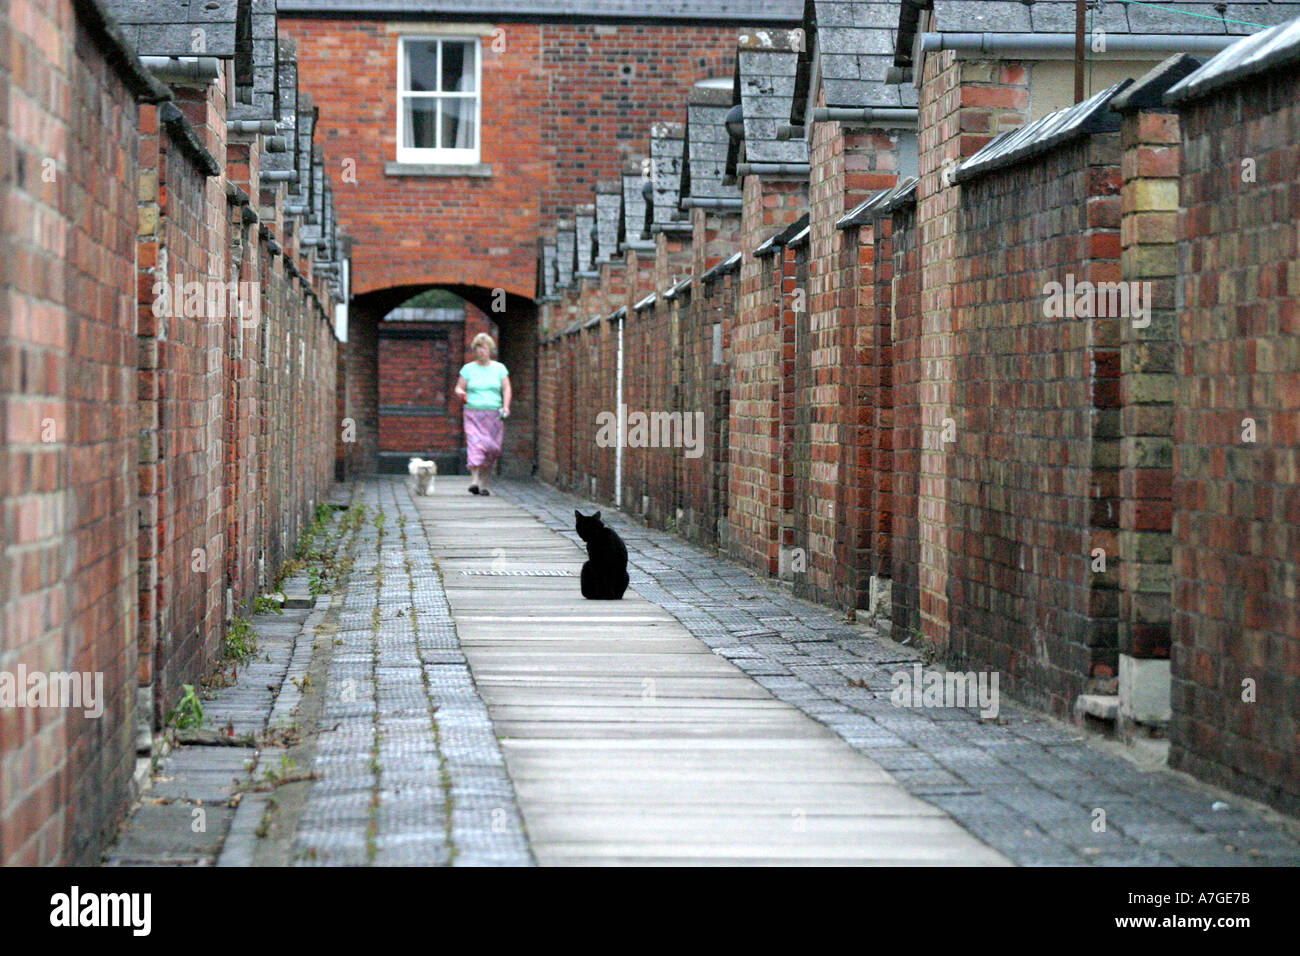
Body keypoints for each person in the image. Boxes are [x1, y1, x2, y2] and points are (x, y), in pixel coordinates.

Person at [454, 332, 511, 496]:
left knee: (491, 449)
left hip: (494, 414)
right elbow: (459, 387)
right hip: (473, 413)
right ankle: (474, 481)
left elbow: (506, 388)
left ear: (490, 349)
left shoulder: (499, 369)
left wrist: (506, 406)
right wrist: (461, 393)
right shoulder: (468, 369)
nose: (481, 351)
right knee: (475, 444)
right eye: (478, 348)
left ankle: (485, 484)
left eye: (484, 347)